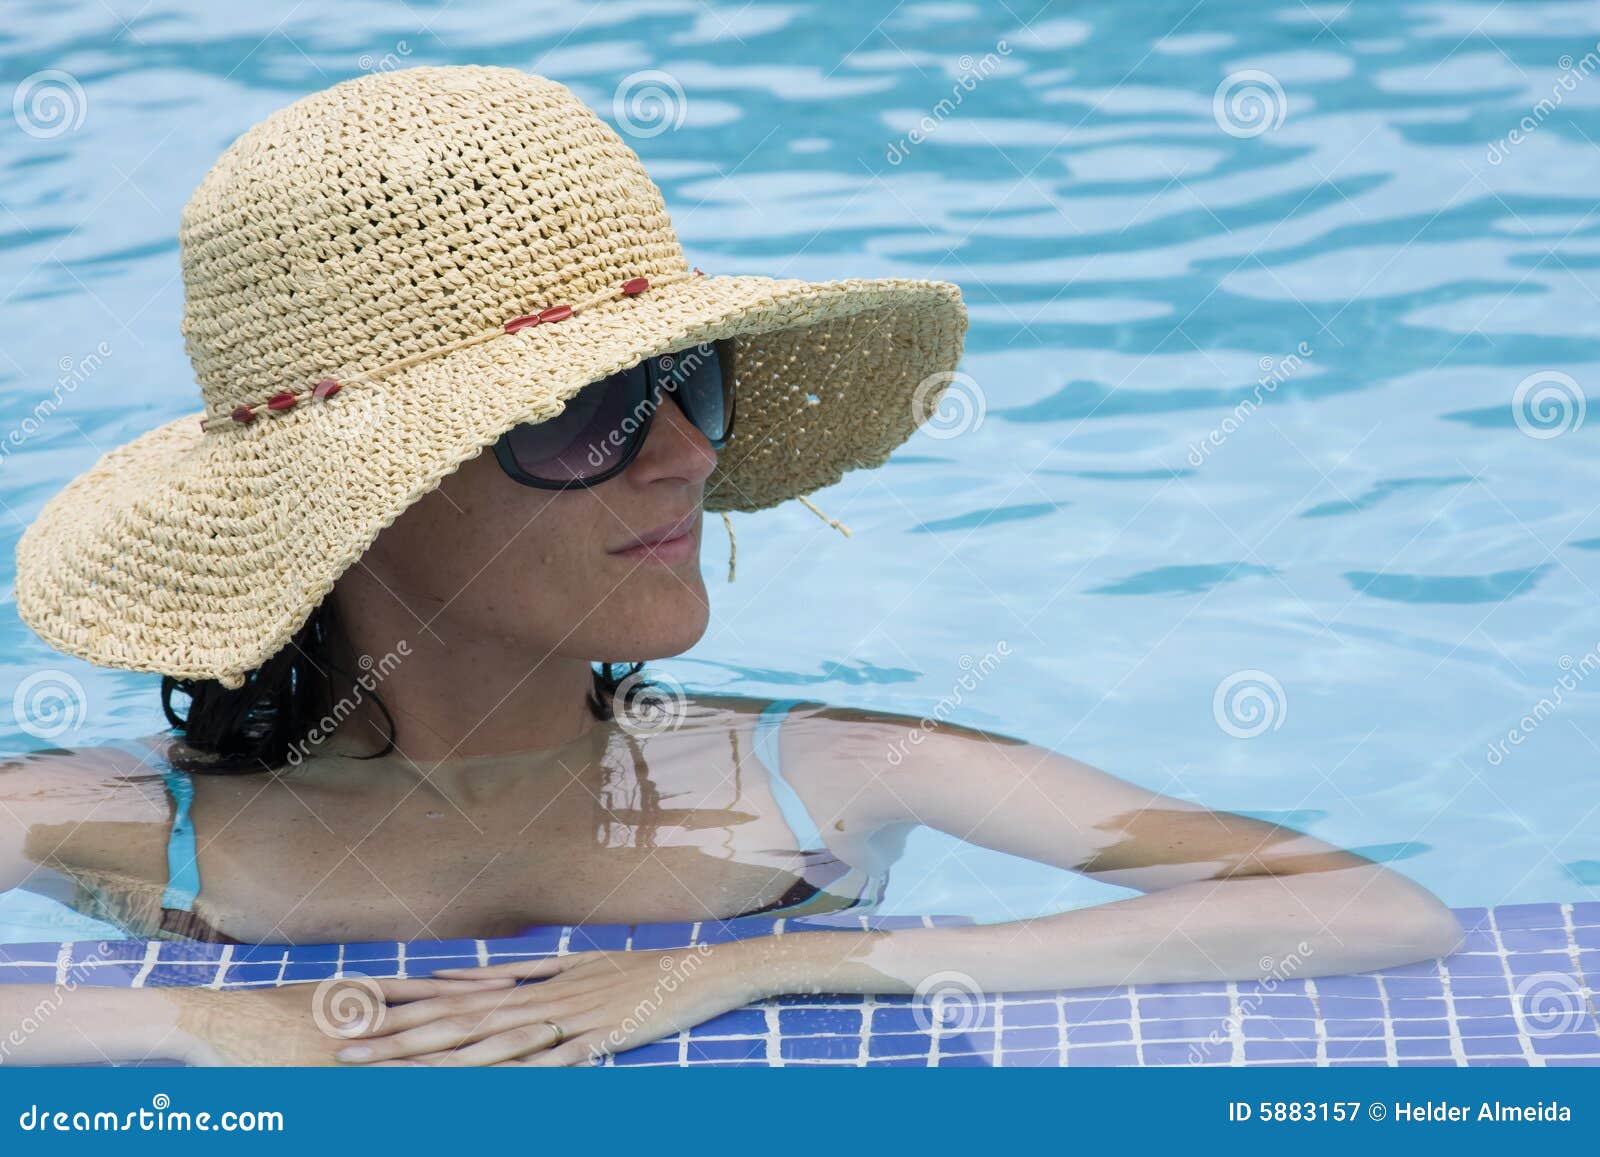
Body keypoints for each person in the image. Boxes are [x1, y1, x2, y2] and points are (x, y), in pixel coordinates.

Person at [1, 66, 1460, 1067]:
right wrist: (219, 1027)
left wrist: (756, 965)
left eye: (688, 383)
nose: (688, 456)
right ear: (361, 498)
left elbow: (1372, 913)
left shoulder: (822, 781)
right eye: (587, 415)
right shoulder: (136, 827)